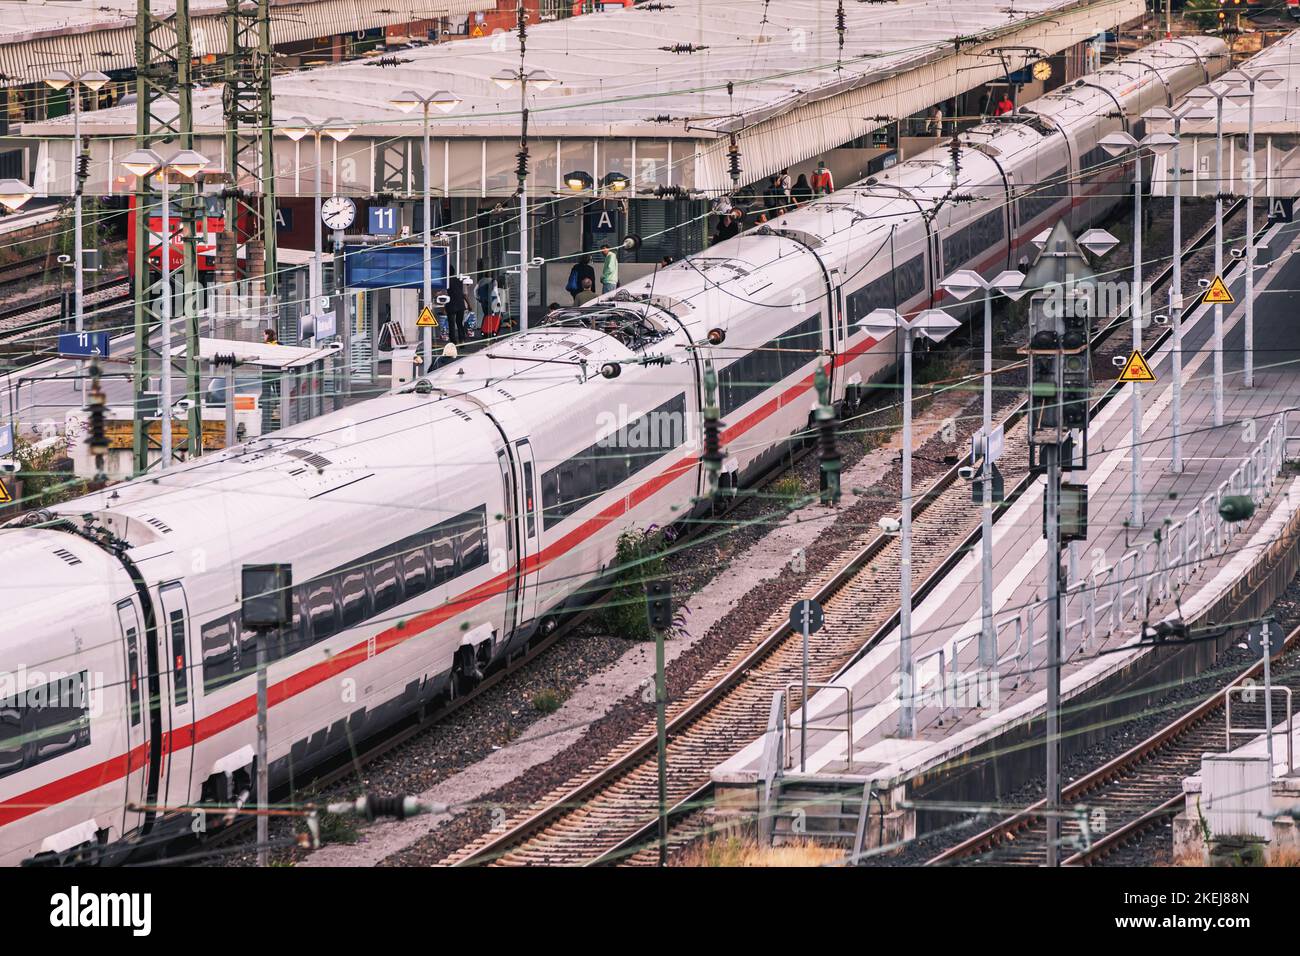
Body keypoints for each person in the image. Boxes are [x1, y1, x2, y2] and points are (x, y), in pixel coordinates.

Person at [445, 273, 468, 346]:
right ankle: (462, 341)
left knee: (451, 324)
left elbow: (444, 294)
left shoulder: (446, 281)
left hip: (451, 304)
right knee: (459, 323)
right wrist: (469, 304)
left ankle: (453, 342)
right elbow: (464, 294)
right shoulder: (459, 280)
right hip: (460, 304)